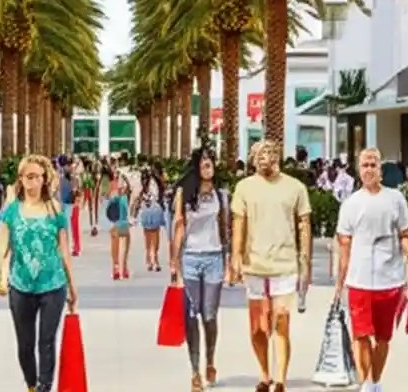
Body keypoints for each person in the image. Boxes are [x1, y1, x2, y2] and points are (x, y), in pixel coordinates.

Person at [231, 139, 312, 392]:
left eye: (271, 152)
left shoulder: (295, 188)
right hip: (254, 265)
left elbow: (304, 225)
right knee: (257, 327)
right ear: (253, 158)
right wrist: (235, 256)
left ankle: (280, 379)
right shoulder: (244, 188)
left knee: (281, 321)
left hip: (284, 265)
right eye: (261, 153)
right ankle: (264, 374)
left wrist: (305, 261)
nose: (267, 156)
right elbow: (238, 224)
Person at [334, 147, 408, 392]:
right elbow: (344, 245)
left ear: (381, 169)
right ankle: (366, 382)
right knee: (360, 335)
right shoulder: (350, 203)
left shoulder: (396, 199)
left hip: (389, 281)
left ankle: (375, 381)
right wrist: (340, 283)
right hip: (359, 281)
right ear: (358, 170)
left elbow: (405, 235)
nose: (369, 169)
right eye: (365, 165)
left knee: (383, 337)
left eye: (373, 165)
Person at [0, 155, 79, 392]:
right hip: (20, 285)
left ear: (45, 179)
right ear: (20, 180)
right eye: (28, 177)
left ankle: (45, 386)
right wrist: (1, 276)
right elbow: (3, 249)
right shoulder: (11, 212)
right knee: (25, 344)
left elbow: (64, 251)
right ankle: (32, 385)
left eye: (37, 177)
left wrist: (72, 286)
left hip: (53, 285)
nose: (33, 181)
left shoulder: (55, 210)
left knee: (46, 341)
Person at [170, 150, 231, 392]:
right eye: (204, 161)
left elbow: (225, 228)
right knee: (191, 315)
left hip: (214, 257)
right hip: (191, 258)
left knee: (210, 315)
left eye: (211, 161)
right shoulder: (184, 194)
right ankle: (195, 370)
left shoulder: (221, 195)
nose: (208, 164)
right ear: (197, 166)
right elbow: (178, 227)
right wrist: (174, 263)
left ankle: (211, 360)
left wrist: (229, 261)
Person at [134, 165, 168, 271]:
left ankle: (150, 258)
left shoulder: (144, 183)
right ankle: (154, 258)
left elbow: (137, 197)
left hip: (147, 209)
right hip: (155, 208)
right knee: (154, 235)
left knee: (148, 236)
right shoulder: (157, 182)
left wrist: (134, 212)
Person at [105, 169, 133, 279]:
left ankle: (119, 266)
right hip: (119, 221)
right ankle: (120, 266)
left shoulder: (117, 190)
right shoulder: (118, 193)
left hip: (118, 221)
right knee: (121, 243)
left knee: (118, 243)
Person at [57, 156, 80, 257]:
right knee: (64, 227)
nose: (68, 167)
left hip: (73, 204)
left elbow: (78, 192)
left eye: (69, 165)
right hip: (64, 205)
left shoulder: (74, 179)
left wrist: (77, 201)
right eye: (66, 165)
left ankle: (76, 246)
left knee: (74, 227)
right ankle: (65, 246)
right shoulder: (60, 179)